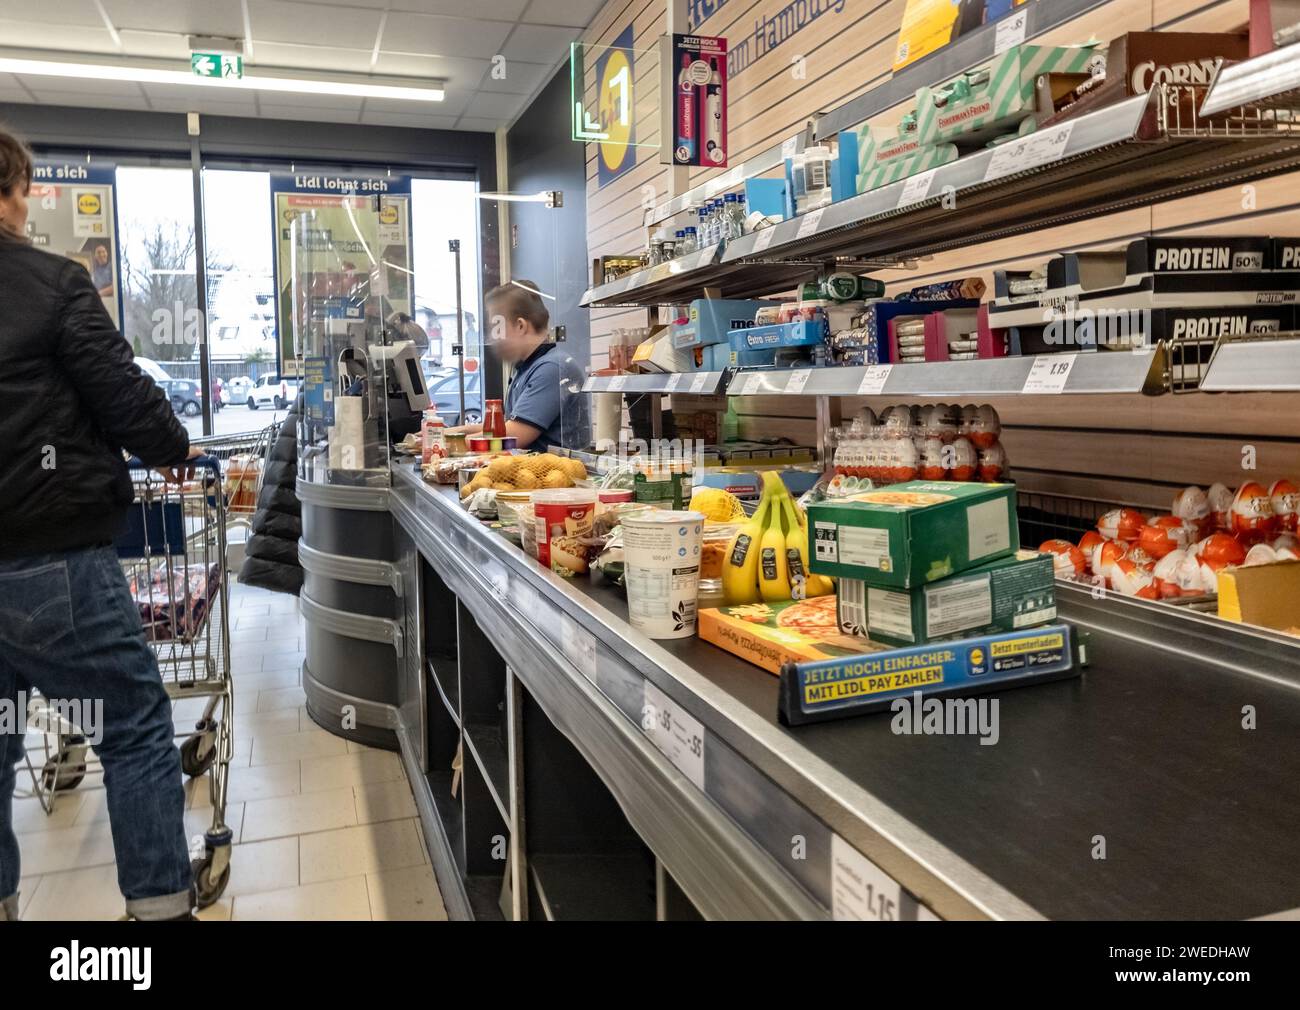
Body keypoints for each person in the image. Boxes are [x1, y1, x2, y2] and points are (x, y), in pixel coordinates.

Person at [0, 127, 203, 921]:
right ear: (10, 192)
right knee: (133, 724)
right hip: (48, 556)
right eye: (23, 196)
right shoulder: (48, 281)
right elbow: (118, 390)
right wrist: (173, 446)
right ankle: (158, 914)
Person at [447, 280, 590, 452]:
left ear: (521, 325)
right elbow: (503, 428)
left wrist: (445, 444)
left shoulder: (551, 368)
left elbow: (510, 438)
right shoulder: (526, 368)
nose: (493, 339)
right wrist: (452, 432)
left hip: (552, 476)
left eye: (497, 328)